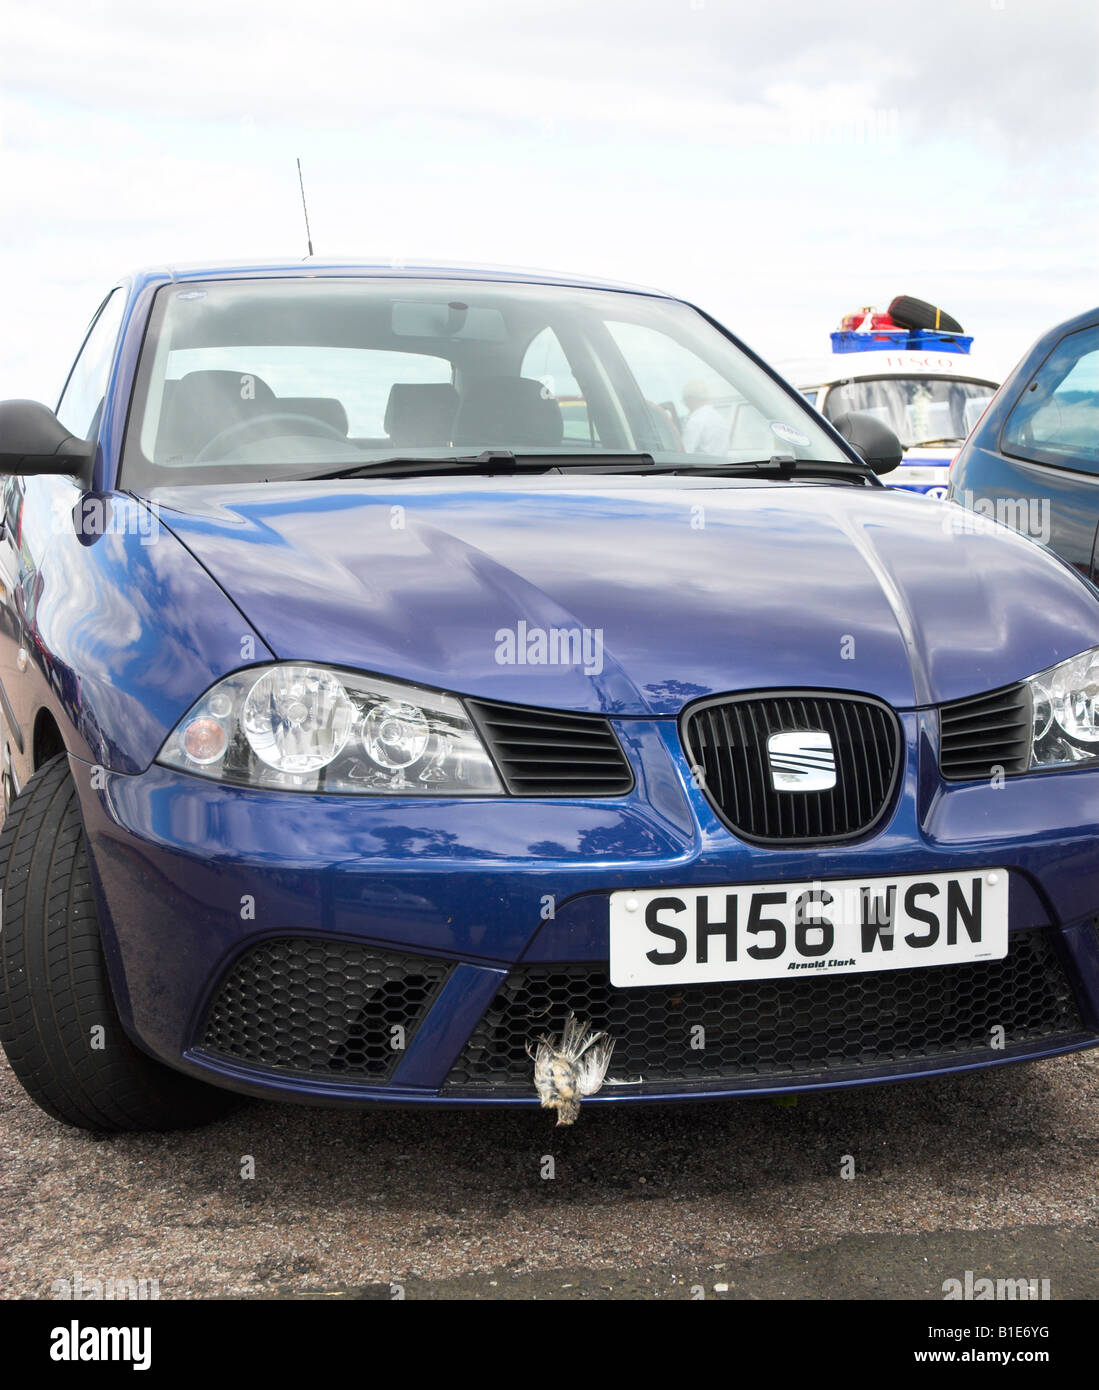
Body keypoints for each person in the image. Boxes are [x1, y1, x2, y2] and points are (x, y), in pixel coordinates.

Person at [681, 379, 729, 456]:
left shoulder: (696, 420)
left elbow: (685, 452)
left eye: (684, 400)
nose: (685, 405)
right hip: (721, 465)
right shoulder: (719, 418)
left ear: (691, 399)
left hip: (702, 465)